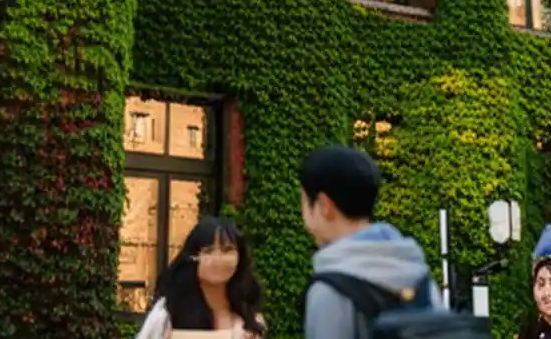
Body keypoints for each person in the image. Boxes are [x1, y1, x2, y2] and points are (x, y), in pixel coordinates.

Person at [298, 145, 443, 338]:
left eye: (304, 203)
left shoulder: (331, 290)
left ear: (324, 205)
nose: (305, 220)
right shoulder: (417, 272)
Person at [135, 217, 266, 339]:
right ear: (192, 259)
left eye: (227, 250)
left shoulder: (248, 317)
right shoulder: (167, 314)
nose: (218, 259)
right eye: (208, 251)